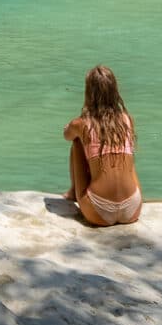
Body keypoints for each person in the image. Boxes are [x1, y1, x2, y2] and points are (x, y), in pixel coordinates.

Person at [62, 64, 141, 227]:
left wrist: (73, 127)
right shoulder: (127, 120)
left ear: (89, 93)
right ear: (115, 92)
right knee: (125, 149)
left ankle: (73, 192)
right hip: (132, 208)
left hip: (99, 210)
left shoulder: (82, 124)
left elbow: (66, 136)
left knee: (77, 141)